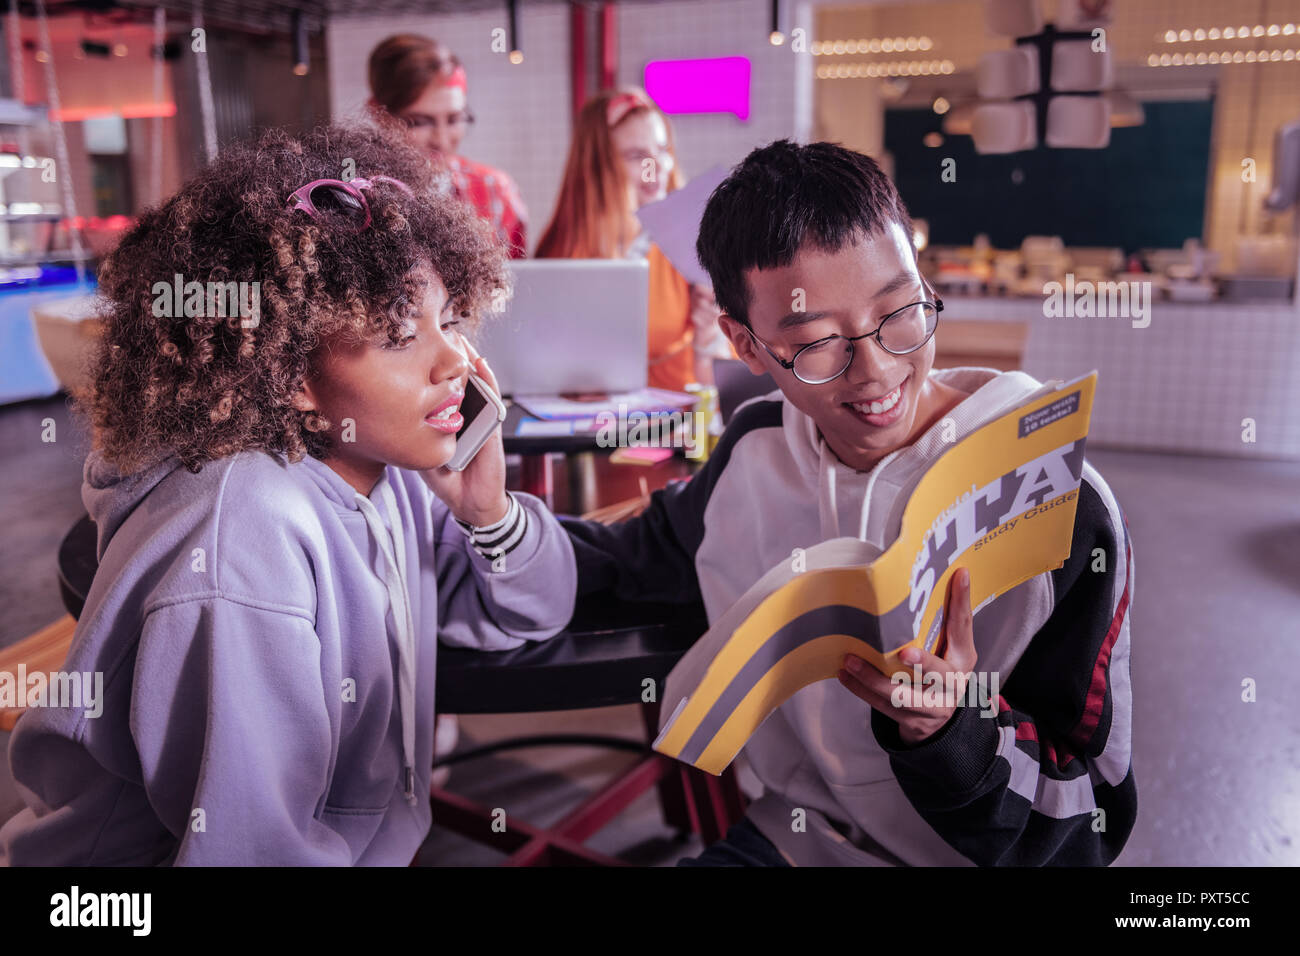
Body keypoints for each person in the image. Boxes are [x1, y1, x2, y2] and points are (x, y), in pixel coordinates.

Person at [0, 123, 575, 866]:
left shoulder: (382, 467)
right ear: (290, 376)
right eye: (401, 334)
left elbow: (537, 611)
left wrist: (488, 515)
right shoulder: (244, 540)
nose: (455, 362)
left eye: (451, 319)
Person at [561, 140, 1137, 866]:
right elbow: (639, 557)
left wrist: (952, 731)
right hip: (793, 840)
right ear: (745, 345)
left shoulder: (1061, 494)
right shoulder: (758, 444)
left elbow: (1090, 825)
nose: (877, 371)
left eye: (900, 312)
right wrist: (493, 527)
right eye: (818, 343)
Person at [535, 87, 732, 391]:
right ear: (597, 169)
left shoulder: (692, 247)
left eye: (663, 150)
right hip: (595, 428)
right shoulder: (559, 256)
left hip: (672, 424)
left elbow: (720, 390)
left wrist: (710, 338)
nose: (660, 168)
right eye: (638, 156)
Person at [368, 34, 529, 259]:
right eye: (419, 122)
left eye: (454, 119)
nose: (441, 140)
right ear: (378, 114)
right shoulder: (358, 197)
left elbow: (519, 286)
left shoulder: (494, 190)